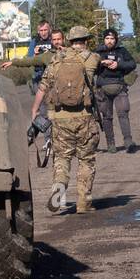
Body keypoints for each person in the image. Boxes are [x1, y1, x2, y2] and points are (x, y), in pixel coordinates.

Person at [31, 25, 99, 214]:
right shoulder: (92, 59)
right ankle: (83, 203)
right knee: (86, 160)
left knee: (61, 159)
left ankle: (58, 193)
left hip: (60, 119)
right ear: (86, 40)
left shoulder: (56, 60)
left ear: (69, 40)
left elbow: (43, 87)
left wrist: (34, 110)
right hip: (85, 118)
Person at [3, 28, 63, 120]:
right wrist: (13, 62)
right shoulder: (48, 56)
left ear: (63, 39)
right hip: (54, 95)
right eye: (54, 39)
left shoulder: (72, 53)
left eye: (59, 39)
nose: (57, 42)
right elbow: (29, 61)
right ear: (51, 41)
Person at [93, 29, 138, 153]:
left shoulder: (122, 51)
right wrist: (102, 63)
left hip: (120, 87)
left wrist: (118, 65)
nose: (109, 41)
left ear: (116, 39)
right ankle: (110, 144)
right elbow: (90, 67)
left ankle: (128, 141)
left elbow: (132, 64)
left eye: (112, 38)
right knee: (106, 117)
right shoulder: (98, 52)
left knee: (123, 114)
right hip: (103, 88)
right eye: (107, 38)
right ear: (104, 39)